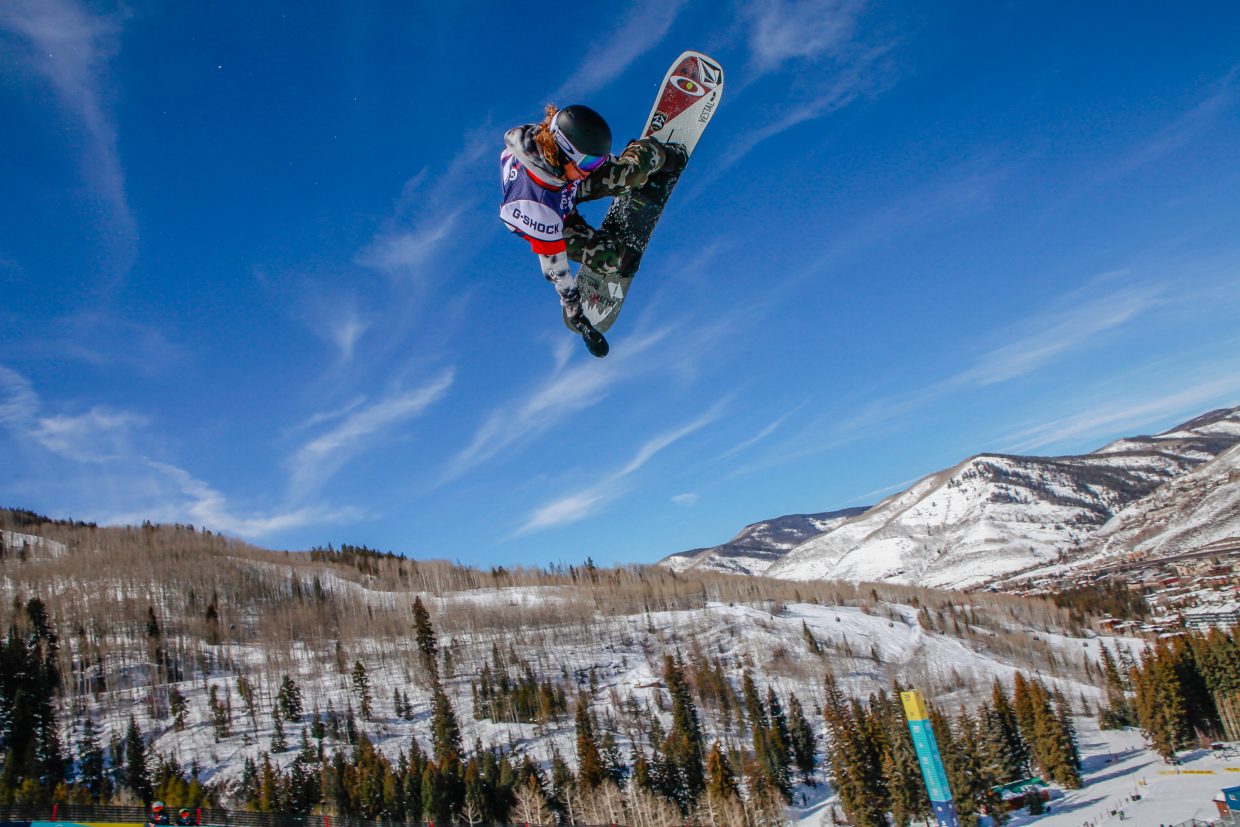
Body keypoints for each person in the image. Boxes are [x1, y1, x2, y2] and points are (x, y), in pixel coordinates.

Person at [499, 104, 687, 357]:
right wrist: (579, 318)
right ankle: (613, 250)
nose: (595, 167)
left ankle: (652, 153)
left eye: (596, 160)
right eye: (590, 162)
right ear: (563, 154)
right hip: (557, 220)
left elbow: (586, 163)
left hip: (566, 185)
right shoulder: (537, 212)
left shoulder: (561, 152)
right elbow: (557, 272)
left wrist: (619, 169)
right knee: (609, 260)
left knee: (627, 175)